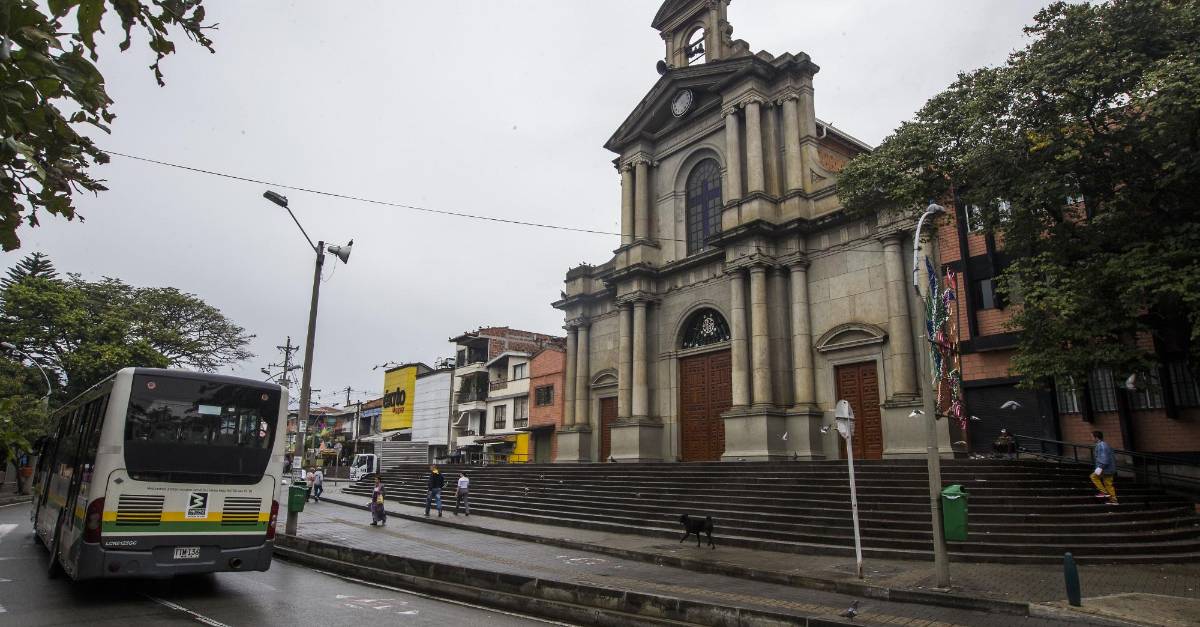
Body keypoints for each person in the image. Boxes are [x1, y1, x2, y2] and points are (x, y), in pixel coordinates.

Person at [1090, 430, 1118, 505]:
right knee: (1108, 484)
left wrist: (1100, 467)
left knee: (1093, 477)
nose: (1091, 439)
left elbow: (1103, 458)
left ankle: (1103, 492)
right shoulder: (1105, 445)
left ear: (1096, 437)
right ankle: (1114, 500)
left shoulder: (1101, 445)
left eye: (1092, 437)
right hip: (1109, 468)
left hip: (1104, 468)